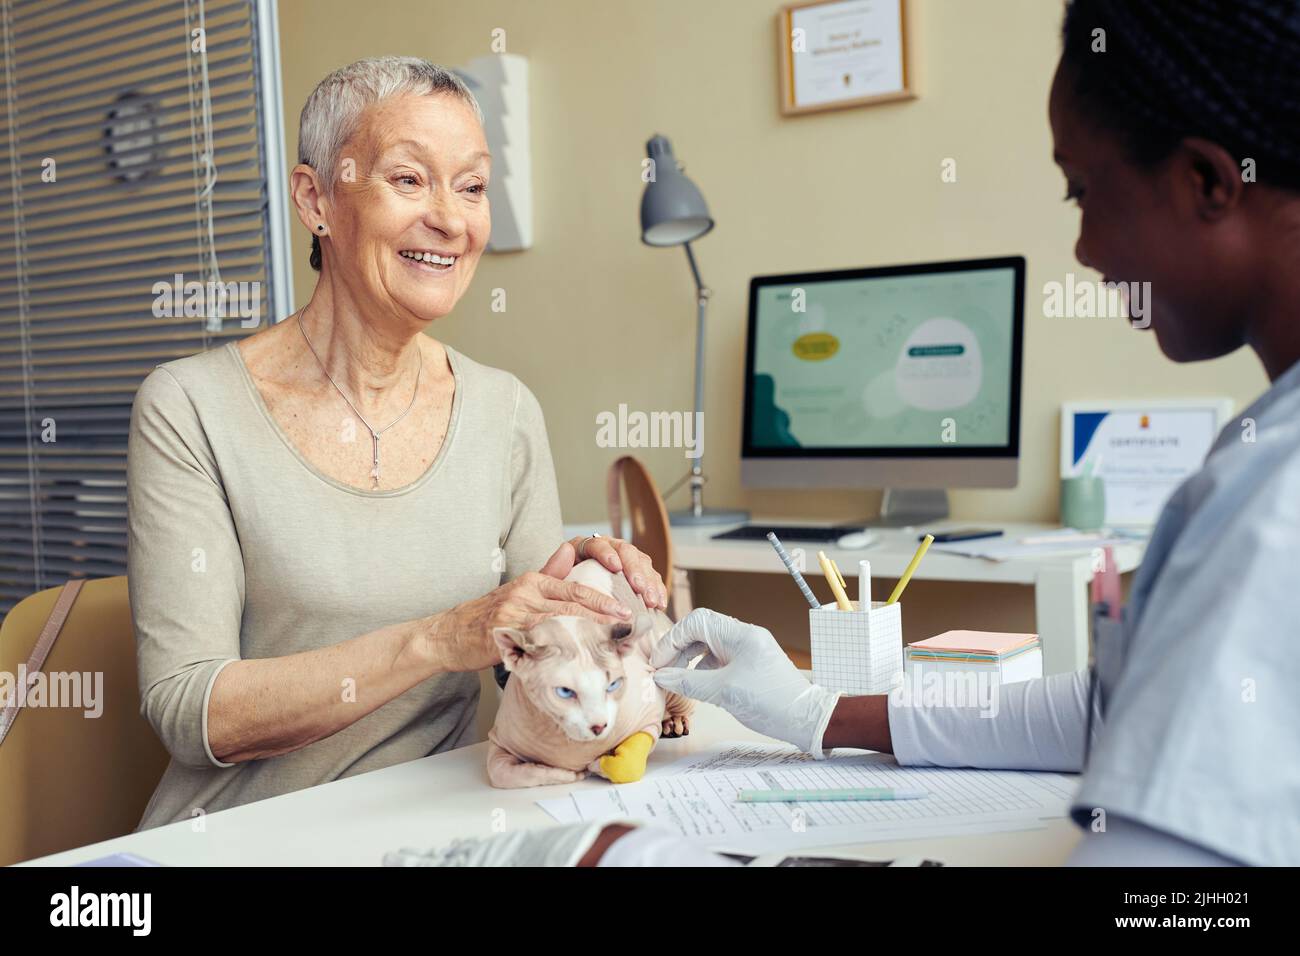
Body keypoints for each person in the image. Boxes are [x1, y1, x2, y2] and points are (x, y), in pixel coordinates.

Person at [397, 0, 1300, 867]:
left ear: (1209, 181)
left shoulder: (1269, 504)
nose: (1082, 251)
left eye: (1083, 192)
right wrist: (820, 713)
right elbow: (1118, 711)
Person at [127, 56, 666, 829]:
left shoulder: (505, 409)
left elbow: (544, 691)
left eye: (473, 186)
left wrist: (593, 614)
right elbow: (191, 712)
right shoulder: (190, 407)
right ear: (316, 199)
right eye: (410, 180)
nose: (451, 219)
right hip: (246, 837)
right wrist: (443, 638)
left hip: (441, 829)